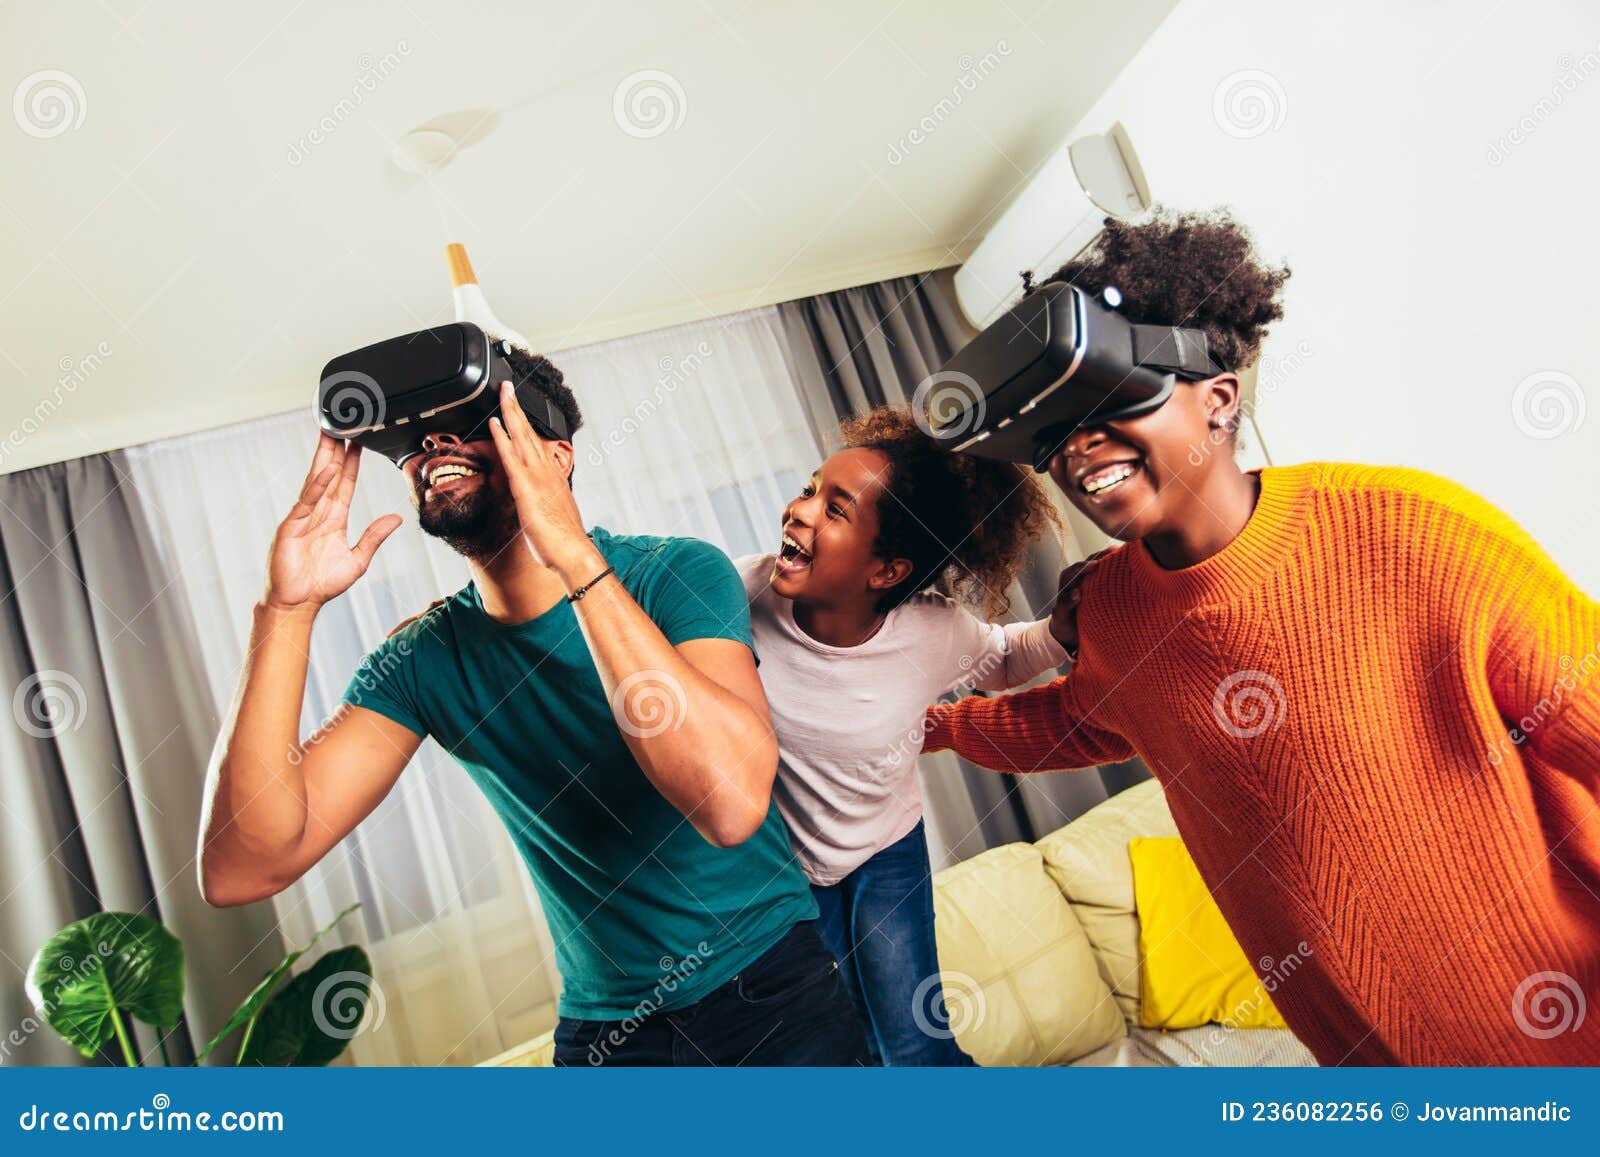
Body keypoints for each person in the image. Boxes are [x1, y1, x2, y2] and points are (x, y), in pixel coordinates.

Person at [923, 208, 1600, 1066]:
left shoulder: (1414, 533)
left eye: (1111, 400)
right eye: (1053, 433)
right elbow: (1081, 720)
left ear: (1218, 399)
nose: (1078, 446)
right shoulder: (1115, 612)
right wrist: (933, 725)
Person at [198, 349, 870, 1067]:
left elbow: (731, 803)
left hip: (772, 993)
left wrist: (573, 555)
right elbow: (242, 868)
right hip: (606, 1039)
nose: (434, 445)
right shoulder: (423, 658)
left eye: (469, 423)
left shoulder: (673, 572)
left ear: (555, 457)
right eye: (418, 437)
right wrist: (288, 610)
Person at [736, 406, 1067, 1065]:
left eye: (836, 510)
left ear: (885, 570)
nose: (798, 512)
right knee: (843, 1042)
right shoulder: (738, 592)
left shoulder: (930, 632)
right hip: (792, 868)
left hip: (886, 850)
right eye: (809, 489)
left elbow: (1003, 657)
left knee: (913, 1042)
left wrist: (1066, 630)